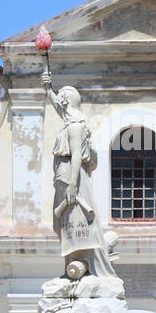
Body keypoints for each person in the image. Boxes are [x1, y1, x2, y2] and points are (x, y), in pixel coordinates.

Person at [43, 68, 115, 279]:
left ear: (66, 102)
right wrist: (48, 87)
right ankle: (72, 262)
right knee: (66, 222)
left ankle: (83, 262)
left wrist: (73, 185)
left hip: (70, 176)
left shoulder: (75, 127)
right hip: (64, 176)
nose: (59, 104)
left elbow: (76, 156)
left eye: (61, 99)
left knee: (75, 220)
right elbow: (58, 105)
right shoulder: (71, 121)